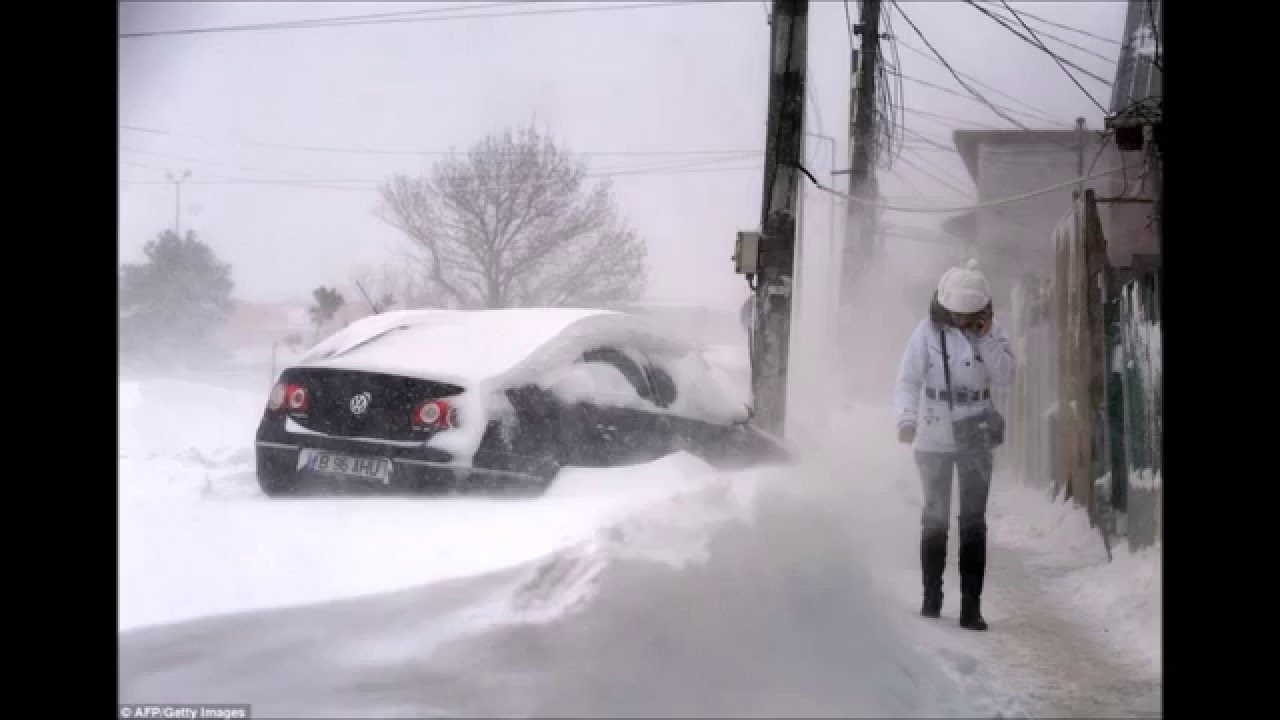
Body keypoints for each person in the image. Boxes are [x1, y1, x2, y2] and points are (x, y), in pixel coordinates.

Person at [892, 259, 1015, 631]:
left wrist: (988, 337)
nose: (963, 322)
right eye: (957, 315)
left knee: (973, 522)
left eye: (970, 316)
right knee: (935, 518)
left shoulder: (993, 334)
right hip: (932, 434)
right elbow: (907, 380)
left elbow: (1006, 376)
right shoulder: (925, 333)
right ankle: (932, 599)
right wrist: (906, 419)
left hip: (975, 431)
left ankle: (971, 608)